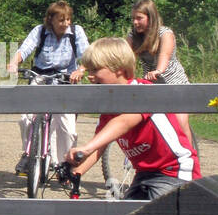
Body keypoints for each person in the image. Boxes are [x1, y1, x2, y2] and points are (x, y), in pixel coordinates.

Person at [64, 37, 200, 201]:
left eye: (95, 70)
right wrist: (75, 171)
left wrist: (85, 148)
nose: (90, 76)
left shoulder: (141, 92)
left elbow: (124, 121)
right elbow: (98, 148)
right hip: (145, 173)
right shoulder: (109, 109)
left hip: (174, 170)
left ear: (119, 69)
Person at [5, 0, 89, 173]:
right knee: (26, 118)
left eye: (68, 19)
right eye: (61, 20)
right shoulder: (40, 31)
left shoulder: (76, 32)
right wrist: (13, 63)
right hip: (41, 77)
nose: (66, 24)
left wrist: (80, 70)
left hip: (65, 80)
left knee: (67, 128)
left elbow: (87, 56)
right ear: (50, 20)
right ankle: (28, 154)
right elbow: (25, 49)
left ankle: (65, 165)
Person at [128, 0, 191, 141]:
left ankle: (191, 157)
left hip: (174, 84)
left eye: (139, 18)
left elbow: (164, 56)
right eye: (133, 18)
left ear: (151, 18)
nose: (135, 22)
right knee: (149, 125)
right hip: (151, 84)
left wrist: (158, 71)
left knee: (180, 123)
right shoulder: (133, 36)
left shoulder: (165, 33)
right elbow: (126, 58)